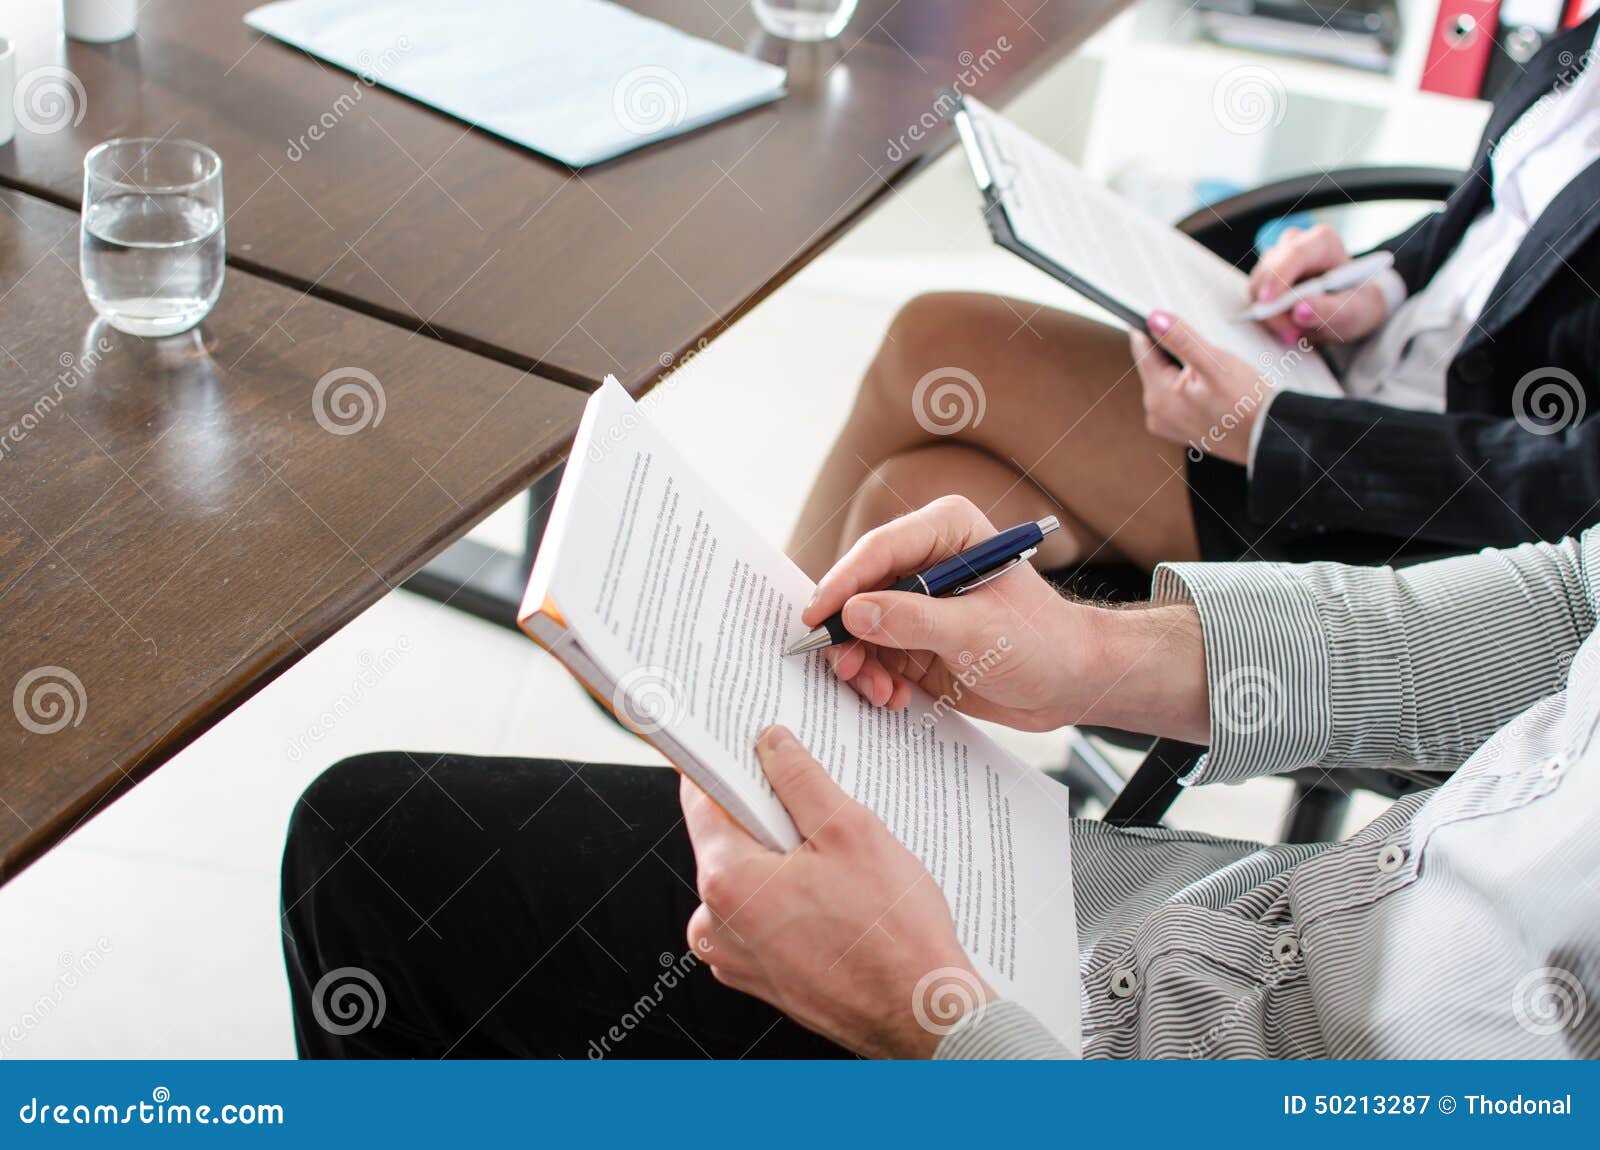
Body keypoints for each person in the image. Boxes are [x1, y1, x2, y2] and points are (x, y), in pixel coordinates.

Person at [283, 495, 1598, 1058]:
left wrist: (924, 1015)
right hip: (1242, 918)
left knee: (393, 869)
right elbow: (1566, 606)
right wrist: (1093, 652)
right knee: (378, 833)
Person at [787, 10, 1600, 582]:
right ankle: (766, 783)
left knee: (934, 344)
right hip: (1338, 385)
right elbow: (1493, 223)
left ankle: (727, 718)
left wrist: (1277, 433)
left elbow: (1574, 489)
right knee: (911, 502)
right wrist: (1377, 280)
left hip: (1418, 528)